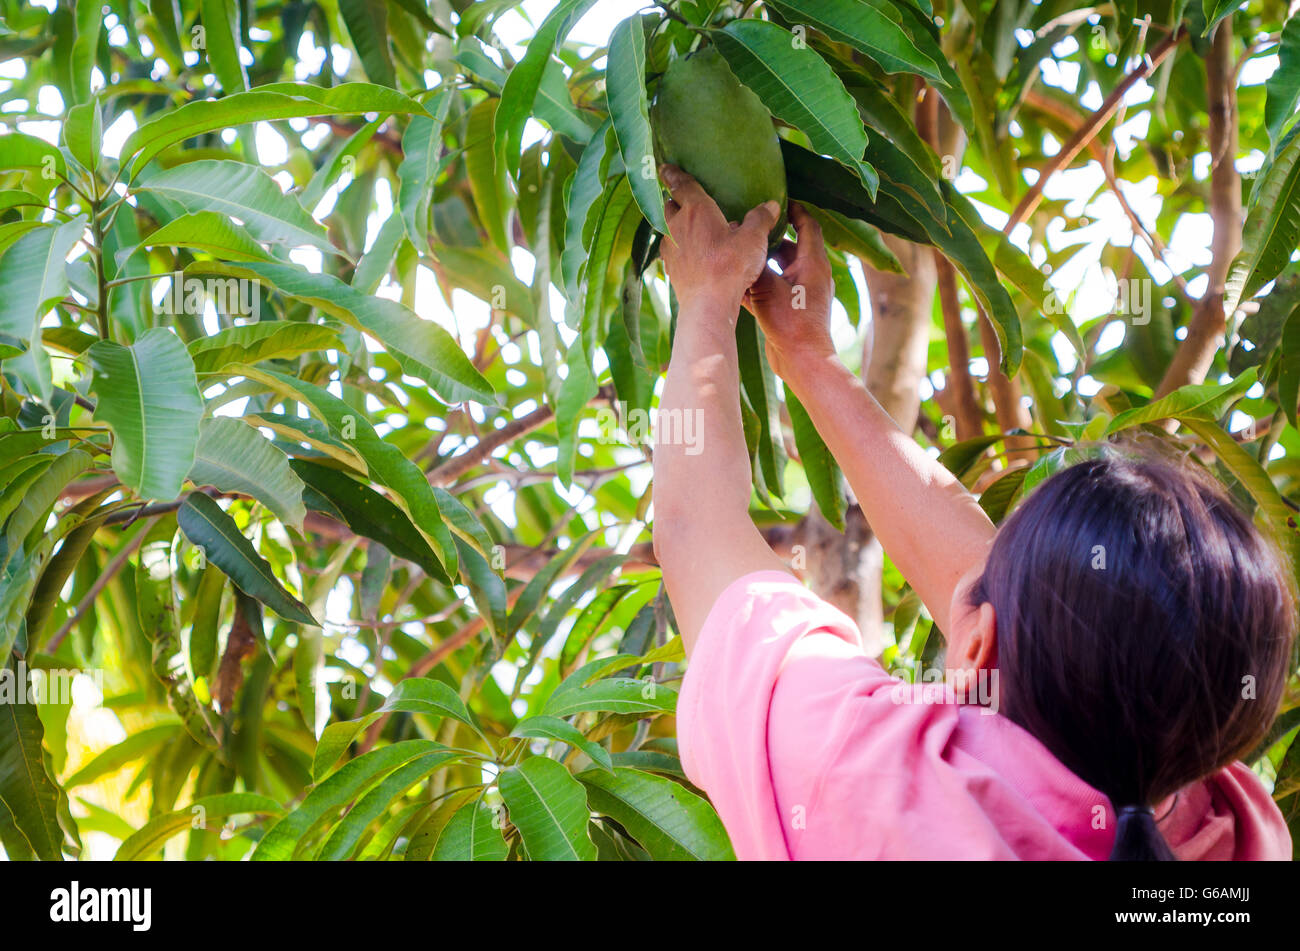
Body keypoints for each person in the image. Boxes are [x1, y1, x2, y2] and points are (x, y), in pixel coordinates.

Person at [651, 164, 1296, 860]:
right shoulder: (1227, 823)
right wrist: (809, 358)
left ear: (981, 645)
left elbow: (695, 533)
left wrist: (704, 290)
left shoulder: (875, 779)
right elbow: (1055, 618)